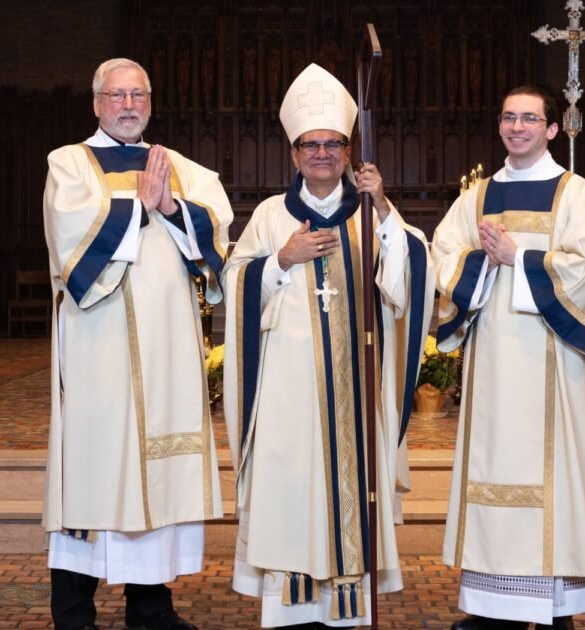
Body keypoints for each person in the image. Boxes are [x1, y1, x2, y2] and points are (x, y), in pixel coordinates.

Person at [222, 63, 435, 629]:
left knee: (349, 488)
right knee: (292, 489)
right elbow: (234, 284)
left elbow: (410, 278)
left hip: (356, 393)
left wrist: (385, 209)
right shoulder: (271, 215)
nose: (321, 154)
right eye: (310, 145)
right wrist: (280, 260)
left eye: (332, 144)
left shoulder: (371, 212)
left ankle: (346, 612)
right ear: (293, 154)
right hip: (287, 394)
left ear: (348, 151)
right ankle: (290, 613)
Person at [41, 57, 232, 630]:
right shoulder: (70, 164)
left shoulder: (180, 169)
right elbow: (69, 234)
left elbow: (216, 240)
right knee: (94, 468)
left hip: (167, 350)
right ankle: (73, 613)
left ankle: (151, 610)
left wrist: (172, 205)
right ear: (97, 104)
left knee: (156, 473)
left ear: (150, 103)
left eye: (139, 96)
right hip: (98, 347)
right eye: (117, 96)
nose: (128, 106)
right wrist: (138, 206)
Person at [431, 86, 585, 630]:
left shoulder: (574, 192)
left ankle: (555, 607)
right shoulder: (479, 195)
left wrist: (520, 257)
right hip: (495, 360)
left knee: (554, 474)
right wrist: (481, 265)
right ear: (499, 125)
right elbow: (445, 254)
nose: (518, 127)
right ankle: (492, 607)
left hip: (553, 362)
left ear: (551, 129)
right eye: (509, 117)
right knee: (493, 464)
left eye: (530, 119)